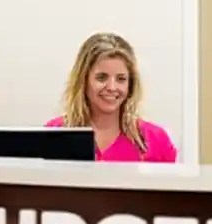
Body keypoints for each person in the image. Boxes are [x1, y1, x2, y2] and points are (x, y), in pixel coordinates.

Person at [46, 32, 178, 163]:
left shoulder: (157, 141)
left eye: (121, 79)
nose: (112, 87)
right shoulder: (53, 135)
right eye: (101, 78)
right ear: (83, 80)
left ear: (130, 84)